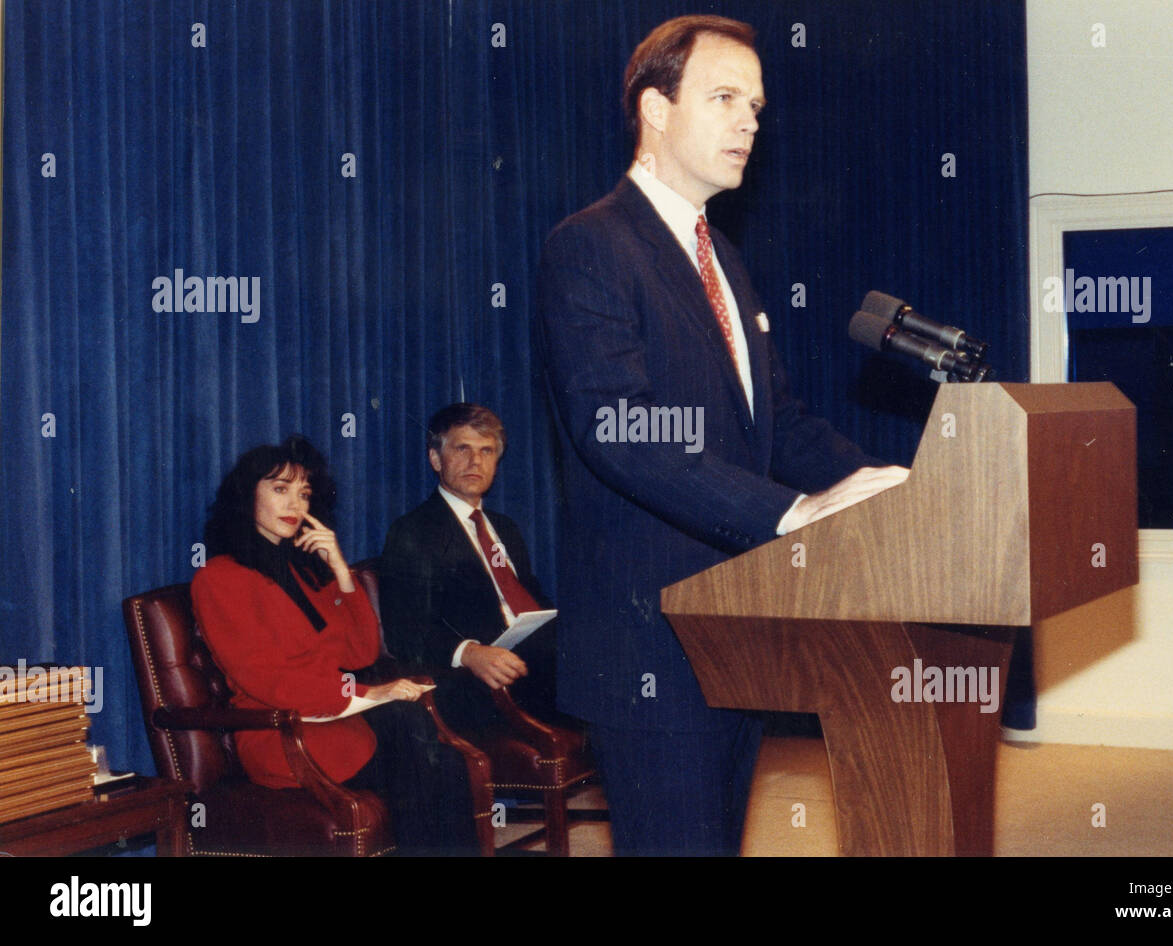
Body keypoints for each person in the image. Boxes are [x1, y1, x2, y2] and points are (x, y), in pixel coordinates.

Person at [535, 15, 910, 855]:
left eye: (757, 105)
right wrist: (789, 515)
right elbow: (620, 429)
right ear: (655, 109)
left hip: (738, 632)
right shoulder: (591, 247)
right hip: (652, 643)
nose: (750, 121)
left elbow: (782, 426)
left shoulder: (726, 260)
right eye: (725, 98)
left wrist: (895, 487)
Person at [190, 435, 479, 855]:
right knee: (411, 731)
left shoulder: (303, 570)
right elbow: (269, 680)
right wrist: (369, 694)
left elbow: (359, 652)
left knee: (445, 760)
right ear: (245, 496)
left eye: (304, 494)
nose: (295, 505)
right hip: (283, 733)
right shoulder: (219, 578)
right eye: (280, 489)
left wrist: (340, 568)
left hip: (337, 721)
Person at [379, 403, 559, 734]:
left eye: (486, 451)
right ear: (436, 459)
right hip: (475, 678)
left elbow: (533, 599)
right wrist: (470, 653)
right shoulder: (412, 531)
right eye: (463, 448)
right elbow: (405, 630)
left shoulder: (506, 529)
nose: (476, 462)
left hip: (533, 661)